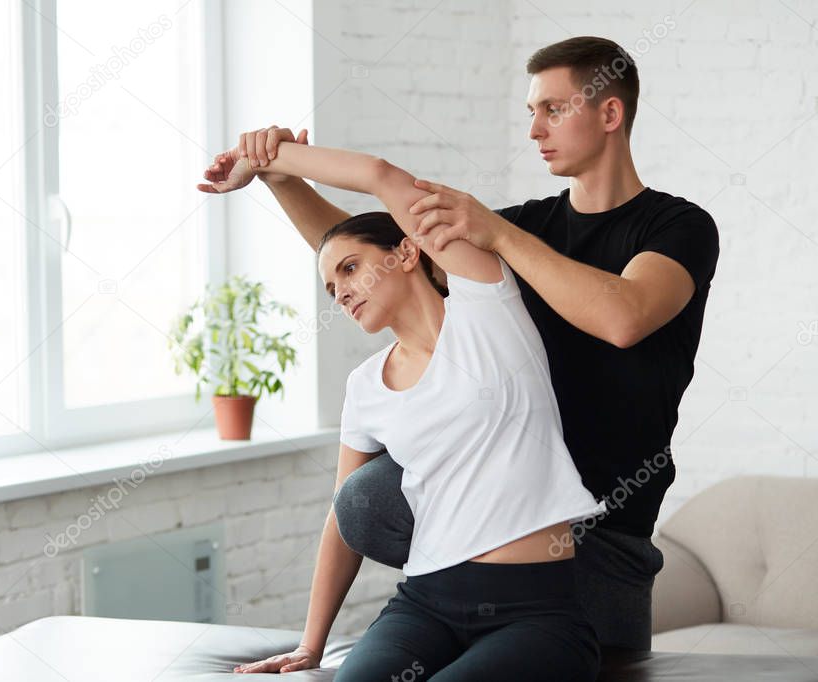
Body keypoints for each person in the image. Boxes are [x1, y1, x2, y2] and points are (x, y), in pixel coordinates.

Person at [219, 35, 720, 656]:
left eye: (553, 109)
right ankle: (447, 594)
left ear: (610, 114)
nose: (535, 129)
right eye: (530, 113)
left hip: (604, 532)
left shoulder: (677, 226)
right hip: (490, 517)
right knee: (364, 495)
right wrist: (280, 173)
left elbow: (625, 316)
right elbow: (378, 264)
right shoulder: (525, 224)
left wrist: (499, 236)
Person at [198, 134, 607, 679]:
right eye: (329, 287)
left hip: (534, 611)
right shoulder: (365, 385)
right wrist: (311, 645)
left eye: (349, 268)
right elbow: (342, 515)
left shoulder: (487, 311)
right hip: (425, 604)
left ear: (409, 250)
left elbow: (382, 176)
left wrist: (264, 160)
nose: (340, 293)